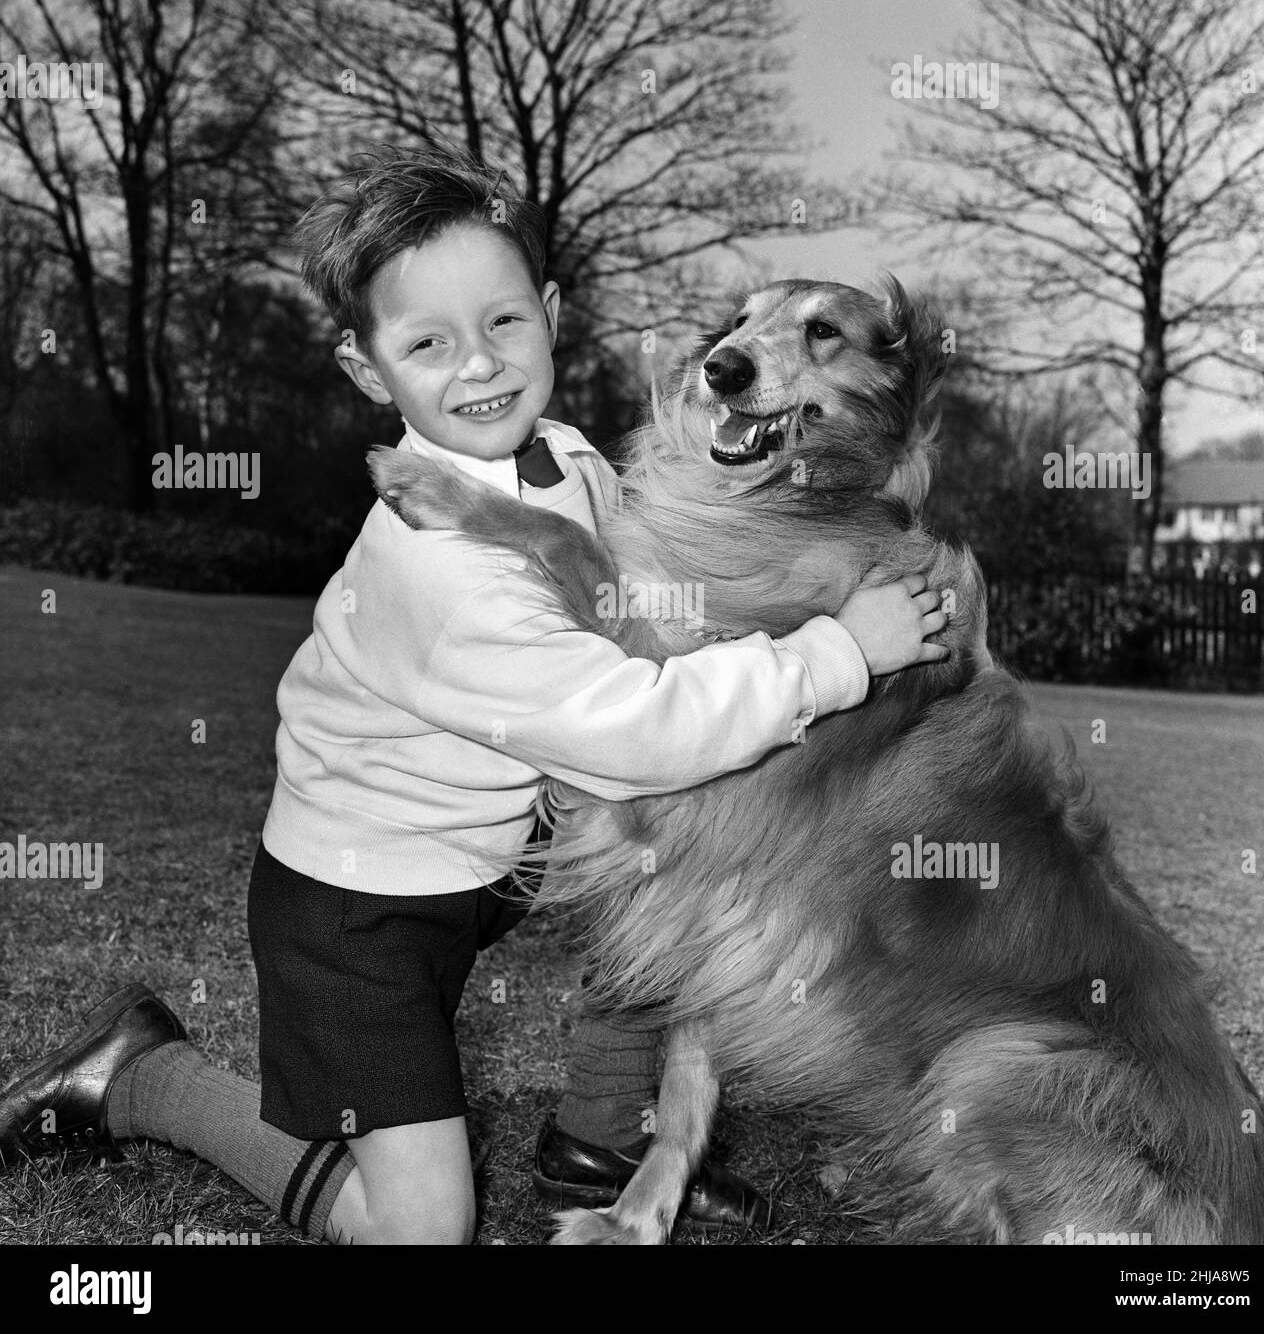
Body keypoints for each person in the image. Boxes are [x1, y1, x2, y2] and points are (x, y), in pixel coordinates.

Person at [0, 141, 948, 1244]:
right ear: (370, 372)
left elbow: (643, 616)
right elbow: (634, 730)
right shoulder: (440, 563)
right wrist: (842, 651)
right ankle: (145, 1076)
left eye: (503, 323)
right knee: (423, 1226)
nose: (480, 365)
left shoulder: (566, 457)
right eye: (428, 343)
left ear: (547, 313)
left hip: (490, 852)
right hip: (365, 903)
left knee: (682, 847)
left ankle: (601, 1134)